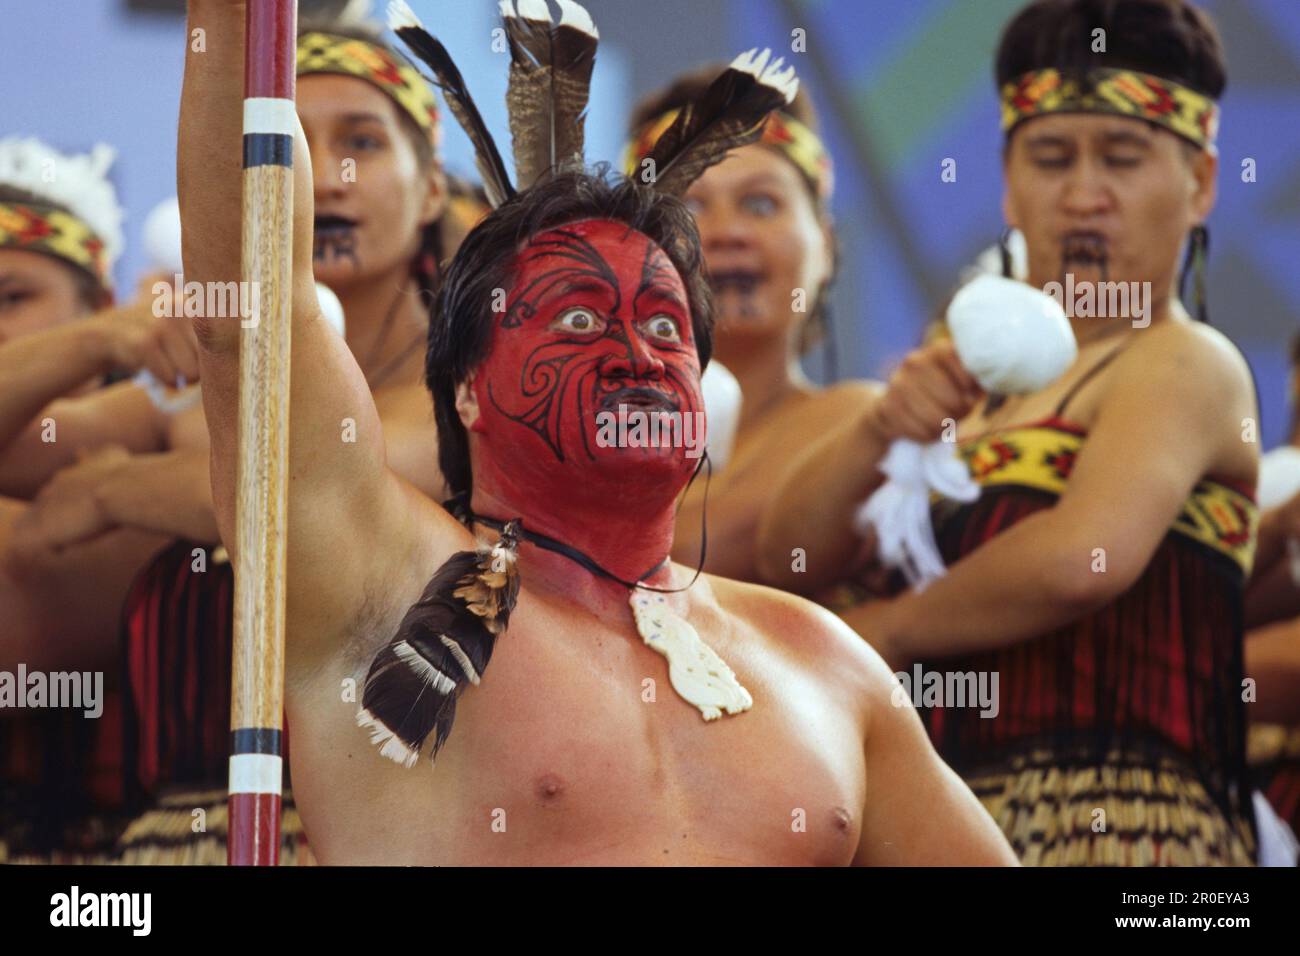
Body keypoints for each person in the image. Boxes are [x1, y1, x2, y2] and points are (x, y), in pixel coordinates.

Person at [176, 0, 1015, 866]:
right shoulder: (380, 587)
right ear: (466, 389)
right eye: (578, 322)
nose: (634, 356)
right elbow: (247, 322)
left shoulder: (825, 663)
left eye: (664, 328)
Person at [761, 0, 1259, 866]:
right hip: (937, 826)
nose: (1083, 195)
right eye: (1052, 157)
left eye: (1123, 158)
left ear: (1202, 182)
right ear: (1007, 181)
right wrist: (879, 426)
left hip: (1129, 831)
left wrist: (888, 634)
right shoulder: (966, 379)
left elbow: (1078, 560)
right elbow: (785, 558)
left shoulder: (1186, 362)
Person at [624, 70, 877, 582]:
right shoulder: (586, 427)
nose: (726, 232)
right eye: (689, 207)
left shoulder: (863, 421)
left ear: (824, 245)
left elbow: (688, 554)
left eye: (761, 203)